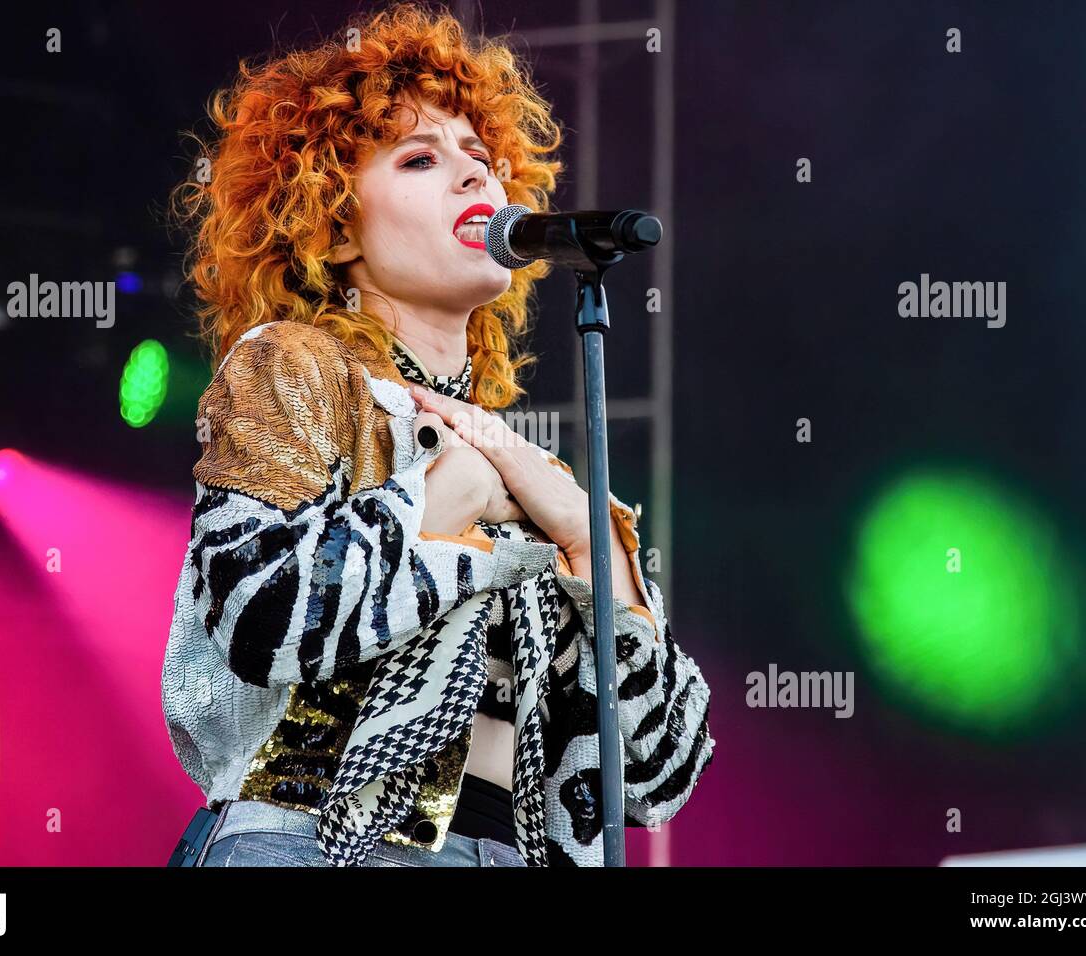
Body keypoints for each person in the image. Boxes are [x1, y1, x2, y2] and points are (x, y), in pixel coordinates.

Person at [162, 2, 714, 868]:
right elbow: (259, 613)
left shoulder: (530, 473)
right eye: (421, 159)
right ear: (335, 225)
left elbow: (656, 774)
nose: (475, 181)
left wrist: (587, 539)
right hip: (319, 840)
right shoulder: (294, 366)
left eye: (484, 161)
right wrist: (443, 497)